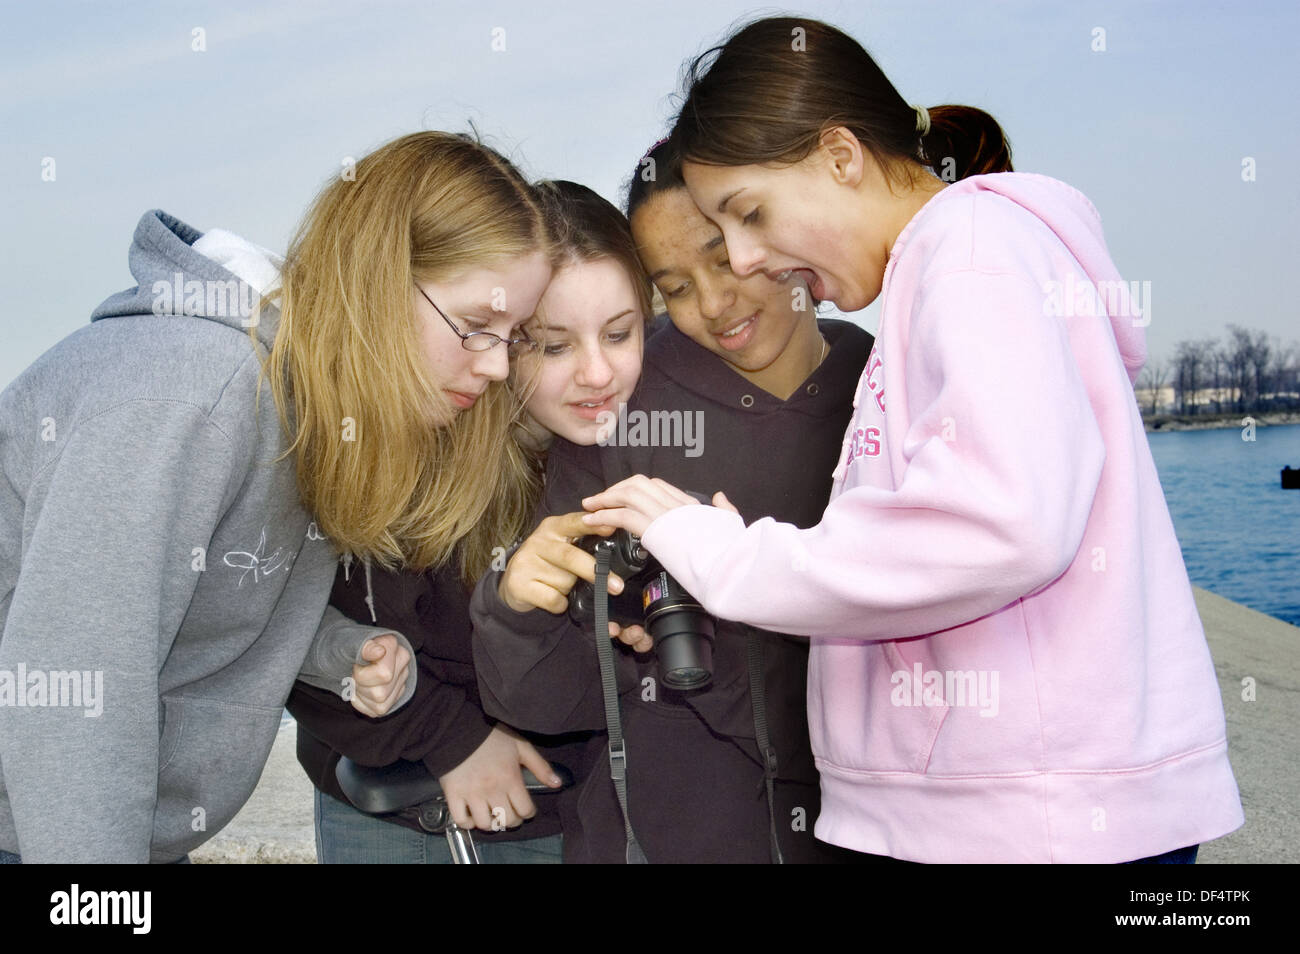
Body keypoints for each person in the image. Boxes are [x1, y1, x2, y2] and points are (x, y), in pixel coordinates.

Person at [579, 17, 1244, 864]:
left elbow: (1003, 519)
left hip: (1029, 820)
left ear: (841, 157)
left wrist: (728, 558)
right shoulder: (948, 266)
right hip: (1013, 811)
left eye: (750, 215)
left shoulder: (971, 251)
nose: (747, 261)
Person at [0, 131, 550, 863]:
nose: (492, 367)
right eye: (475, 326)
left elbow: (202, 591)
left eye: (512, 338)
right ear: (376, 277)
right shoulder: (192, 391)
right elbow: (77, 690)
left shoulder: (303, 405)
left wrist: (333, 653)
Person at [470, 142, 874, 863]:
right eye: (675, 287)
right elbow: (554, 704)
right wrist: (520, 616)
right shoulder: (618, 414)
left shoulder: (880, 380)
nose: (714, 305)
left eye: (722, 260)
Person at [287, 179, 647, 863]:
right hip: (392, 807)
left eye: (622, 333)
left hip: (571, 814)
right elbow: (301, 634)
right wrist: (453, 740)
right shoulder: (414, 450)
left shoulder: (660, 444)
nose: (596, 372)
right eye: (550, 345)